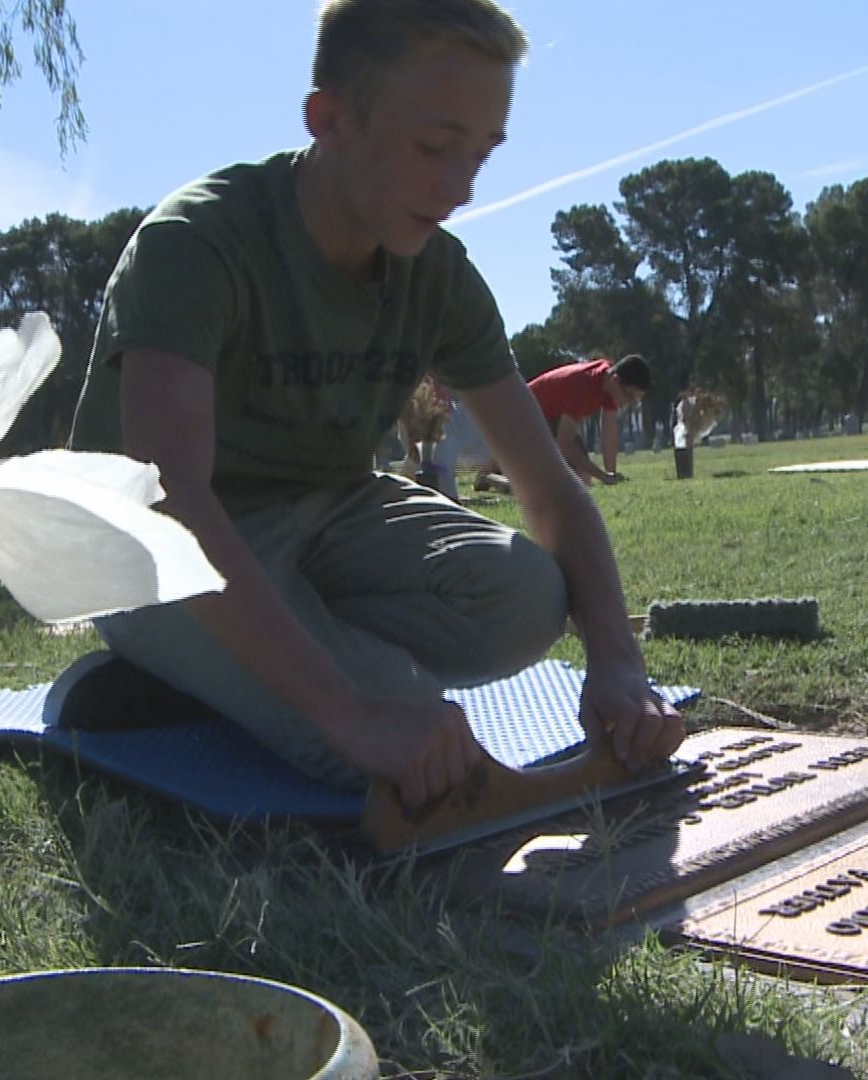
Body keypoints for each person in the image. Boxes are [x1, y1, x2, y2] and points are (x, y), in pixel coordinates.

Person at [67, 0, 683, 810]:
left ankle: (234, 668)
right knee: (390, 749)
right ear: (329, 119)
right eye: (433, 146)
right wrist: (352, 709)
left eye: (482, 155)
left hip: (328, 514)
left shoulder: (439, 275)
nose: (460, 187)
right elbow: (171, 502)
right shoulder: (197, 244)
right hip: (152, 548)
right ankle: (181, 660)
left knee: (529, 599)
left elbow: (546, 484)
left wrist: (616, 662)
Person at [475, 354, 649, 491]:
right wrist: (603, 476)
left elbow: (609, 434)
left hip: (549, 418)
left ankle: (498, 467)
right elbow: (565, 444)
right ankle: (490, 471)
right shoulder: (584, 385)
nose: (629, 403)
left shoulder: (608, 384)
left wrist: (611, 474)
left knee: (582, 481)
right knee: (546, 486)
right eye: (630, 397)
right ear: (616, 380)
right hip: (520, 416)